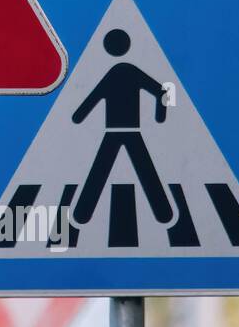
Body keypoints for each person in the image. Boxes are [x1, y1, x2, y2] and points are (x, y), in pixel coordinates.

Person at [70, 28, 172, 226]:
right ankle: (164, 214)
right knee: (143, 171)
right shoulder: (128, 71)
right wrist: (160, 116)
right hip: (129, 131)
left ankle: (81, 215)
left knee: (101, 171)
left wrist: (78, 117)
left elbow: (95, 97)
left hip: (117, 131)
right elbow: (162, 91)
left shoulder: (117, 72)